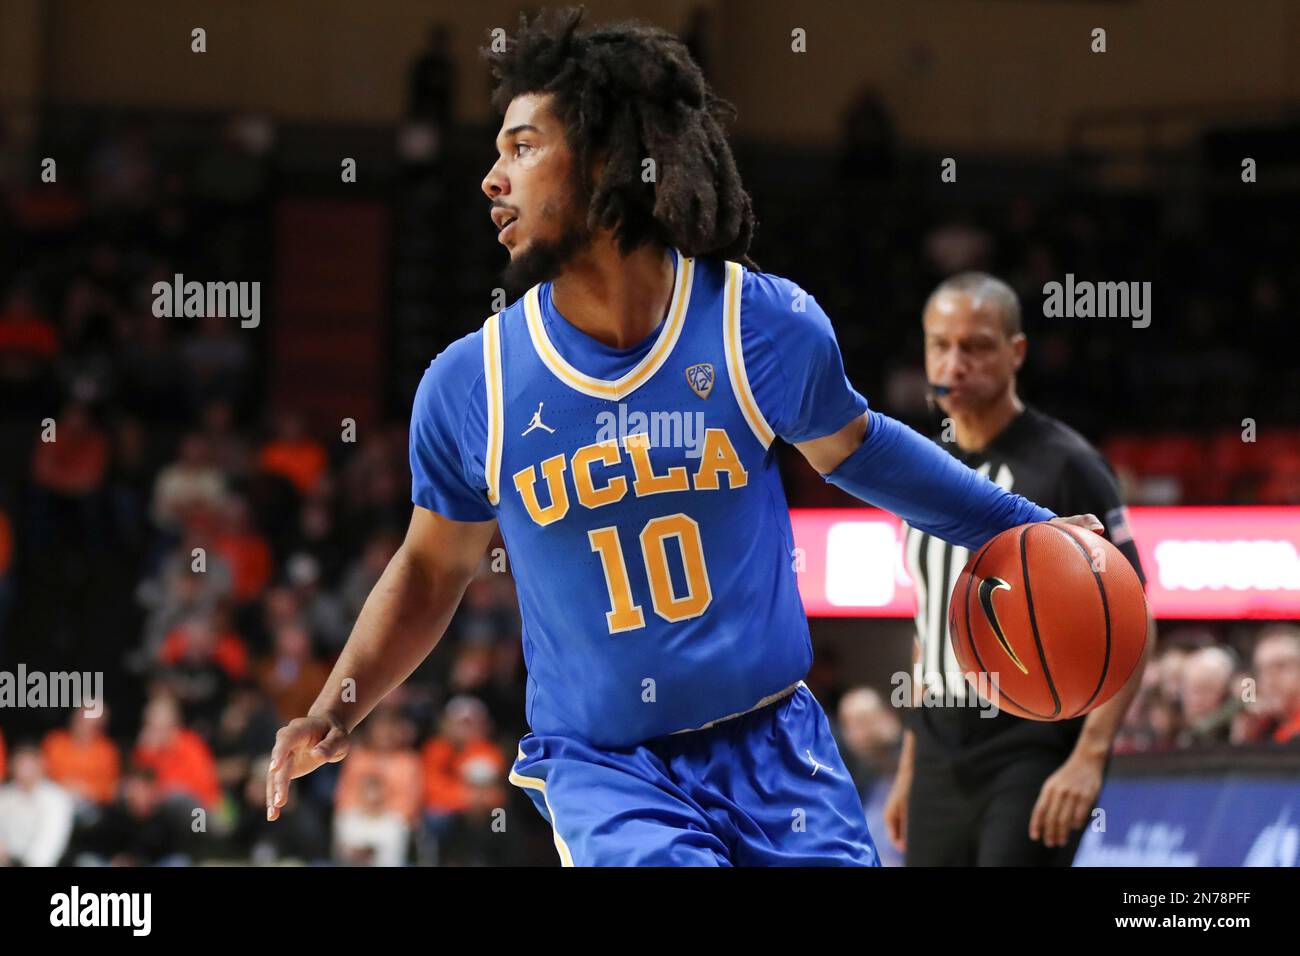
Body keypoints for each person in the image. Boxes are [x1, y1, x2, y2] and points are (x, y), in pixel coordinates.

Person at [266, 8, 1099, 867]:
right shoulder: (470, 384)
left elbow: (864, 448)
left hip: (779, 751)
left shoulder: (758, 325)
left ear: (604, 160)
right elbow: (431, 567)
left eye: (521, 147)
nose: (491, 177)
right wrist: (337, 707)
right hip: (608, 771)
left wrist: (1018, 525)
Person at [883, 272, 1154, 866]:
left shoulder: (1069, 464)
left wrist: (1088, 757)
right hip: (937, 749)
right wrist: (908, 766)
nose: (955, 363)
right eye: (940, 345)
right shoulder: (922, 467)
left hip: (1031, 744)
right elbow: (930, 626)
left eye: (976, 345)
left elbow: (1135, 617)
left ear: (1017, 351)